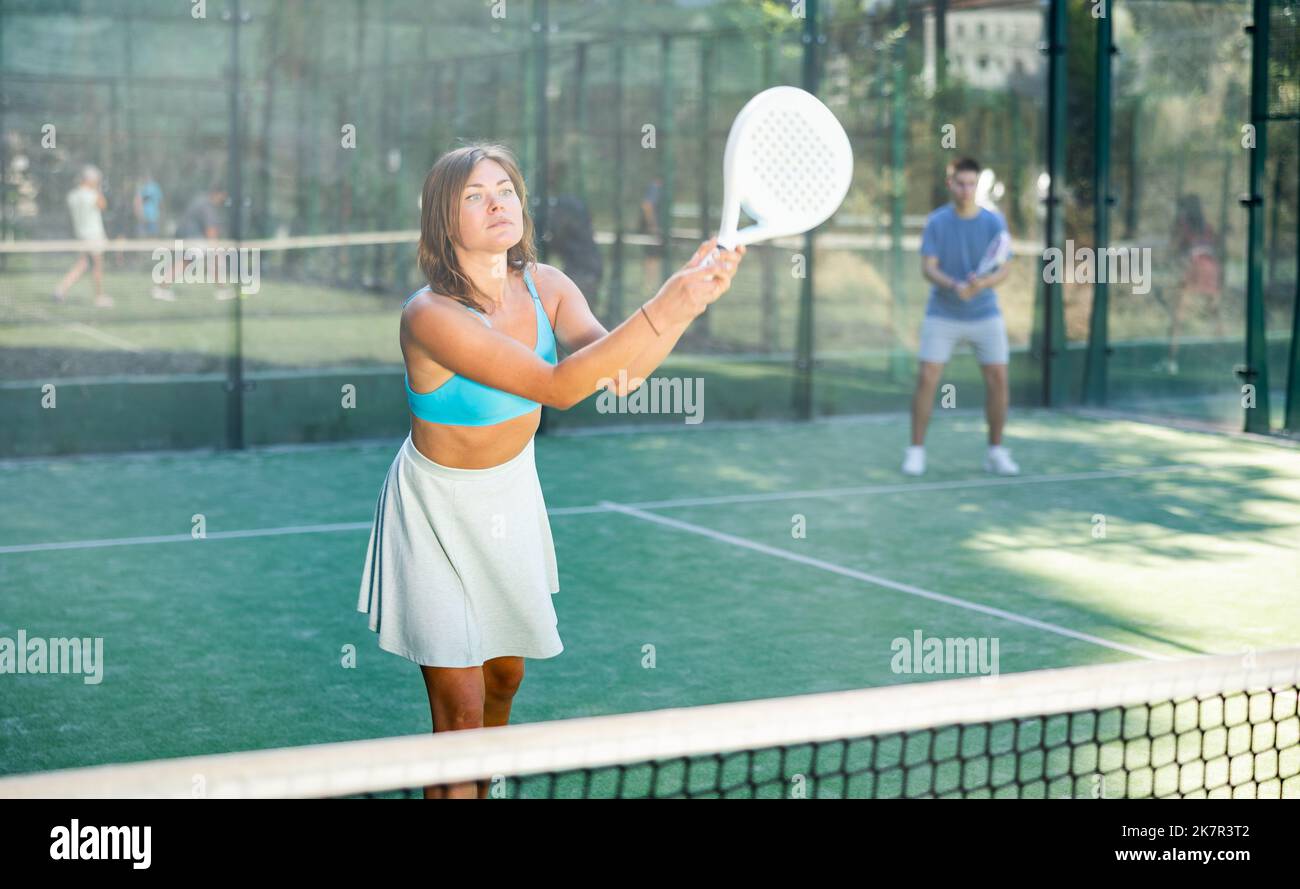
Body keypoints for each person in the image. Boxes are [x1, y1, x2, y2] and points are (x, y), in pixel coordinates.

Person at [356, 144, 743, 799]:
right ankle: (463, 776)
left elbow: (620, 373)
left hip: (512, 494)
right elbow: (560, 386)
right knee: (461, 711)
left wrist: (689, 303)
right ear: (443, 221)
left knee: (505, 676)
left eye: (504, 188)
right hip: (434, 511)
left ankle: (487, 770)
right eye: (474, 195)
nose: (496, 202)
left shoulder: (549, 287)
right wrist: (666, 303)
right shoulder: (429, 315)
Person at [905, 156, 1019, 476]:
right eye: (960, 183)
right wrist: (954, 285)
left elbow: (1005, 266)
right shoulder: (937, 222)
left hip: (985, 314)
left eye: (971, 184)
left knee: (998, 379)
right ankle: (916, 451)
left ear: (977, 185)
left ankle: (995, 451)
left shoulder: (994, 222)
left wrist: (982, 283)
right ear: (950, 184)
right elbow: (928, 267)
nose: (966, 190)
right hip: (943, 313)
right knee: (927, 377)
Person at [1155, 194, 1223, 375]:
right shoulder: (1206, 226)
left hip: (1195, 266)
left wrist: (1173, 257)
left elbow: (1173, 248)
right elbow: (1215, 247)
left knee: (1178, 317)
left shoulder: (1182, 223)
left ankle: (1171, 360)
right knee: (1214, 315)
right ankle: (1220, 357)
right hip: (1211, 267)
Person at [544, 160, 603, 311]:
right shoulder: (572, 201)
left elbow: (557, 235)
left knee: (581, 315)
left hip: (582, 269)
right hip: (587, 266)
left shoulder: (565, 204)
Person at [157, 184, 232, 301]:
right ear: (216, 194)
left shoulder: (202, 201)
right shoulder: (207, 206)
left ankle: (222, 289)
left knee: (200, 260)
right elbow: (211, 232)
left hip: (188, 236)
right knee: (200, 259)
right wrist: (218, 251)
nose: (223, 201)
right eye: (223, 197)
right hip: (192, 238)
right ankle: (161, 289)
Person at [53, 165, 113, 308]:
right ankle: (99, 297)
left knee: (82, 265)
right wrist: (98, 189)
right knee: (97, 266)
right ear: (89, 180)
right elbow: (103, 205)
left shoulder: (72, 196)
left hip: (81, 235)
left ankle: (60, 290)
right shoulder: (92, 194)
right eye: (96, 180)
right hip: (94, 235)